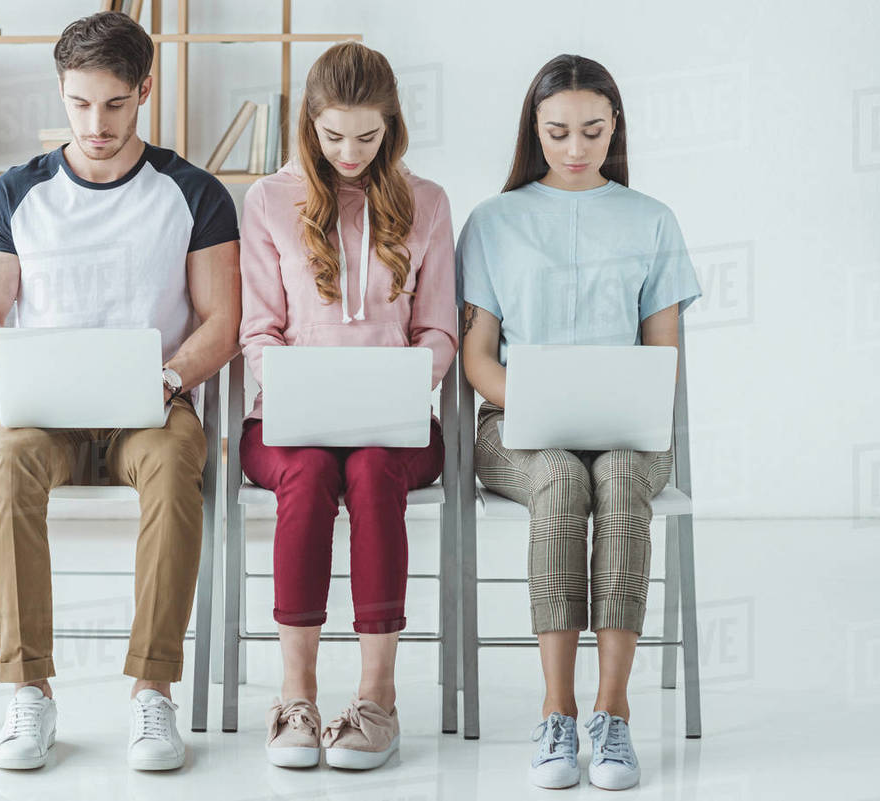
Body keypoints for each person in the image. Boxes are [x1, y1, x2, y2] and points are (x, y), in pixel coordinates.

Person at [0, 11, 240, 772]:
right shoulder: (16, 195)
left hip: (151, 407)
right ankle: (31, 691)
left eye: (115, 104)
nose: (97, 123)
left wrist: (170, 377)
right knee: (7, 462)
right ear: (60, 91)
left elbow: (222, 321)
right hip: (45, 413)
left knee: (181, 458)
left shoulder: (193, 193)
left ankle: (153, 692)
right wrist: (23, 378)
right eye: (80, 104)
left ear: (144, 89)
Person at [458, 54, 702, 791]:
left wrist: (622, 406)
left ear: (614, 125)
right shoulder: (493, 221)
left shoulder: (652, 219)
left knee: (620, 476)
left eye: (592, 130)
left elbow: (665, 358)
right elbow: (475, 355)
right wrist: (532, 406)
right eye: (558, 131)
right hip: (519, 429)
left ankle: (613, 711)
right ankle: (557, 709)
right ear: (534, 129)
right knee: (562, 478)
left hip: (628, 431)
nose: (574, 148)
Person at [238, 41, 457, 771]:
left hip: (395, 425)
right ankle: (295, 695)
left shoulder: (426, 202)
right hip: (287, 422)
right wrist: (298, 385)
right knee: (306, 476)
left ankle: (376, 699)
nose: (350, 151)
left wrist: (403, 380)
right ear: (311, 124)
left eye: (367, 135)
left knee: (369, 473)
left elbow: (439, 330)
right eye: (334, 136)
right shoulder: (269, 200)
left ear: (391, 125)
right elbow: (259, 328)